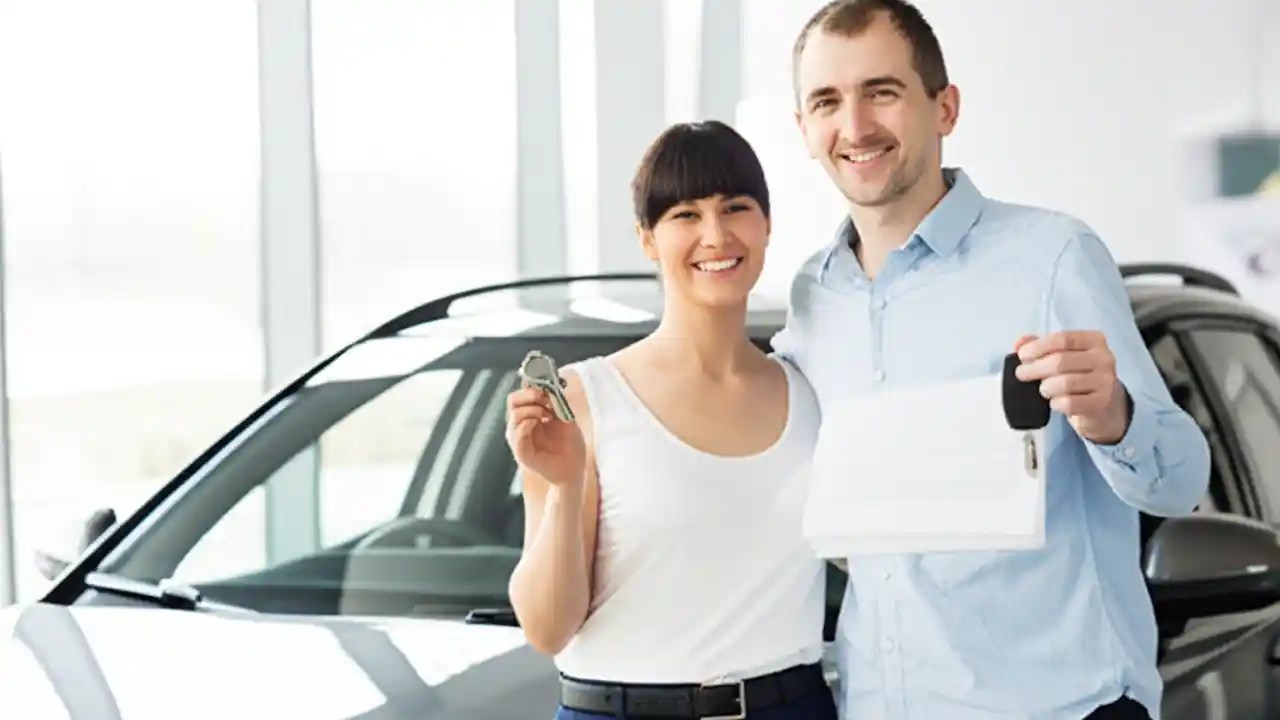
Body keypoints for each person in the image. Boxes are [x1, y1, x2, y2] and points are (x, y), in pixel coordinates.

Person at [775, 1, 1212, 719]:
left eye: (882, 92)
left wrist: (1113, 417)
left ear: (944, 108)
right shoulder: (811, 301)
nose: (854, 127)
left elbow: (1181, 481)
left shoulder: (1052, 259)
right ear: (804, 130)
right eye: (827, 100)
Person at [505, 120, 839, 720]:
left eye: (735, 207)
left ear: (766, 225)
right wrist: (565, 484)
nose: (715, 235)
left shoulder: (811, 393)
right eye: (685, 214)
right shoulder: (584, 396)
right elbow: (546, 629)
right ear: (647, 239)